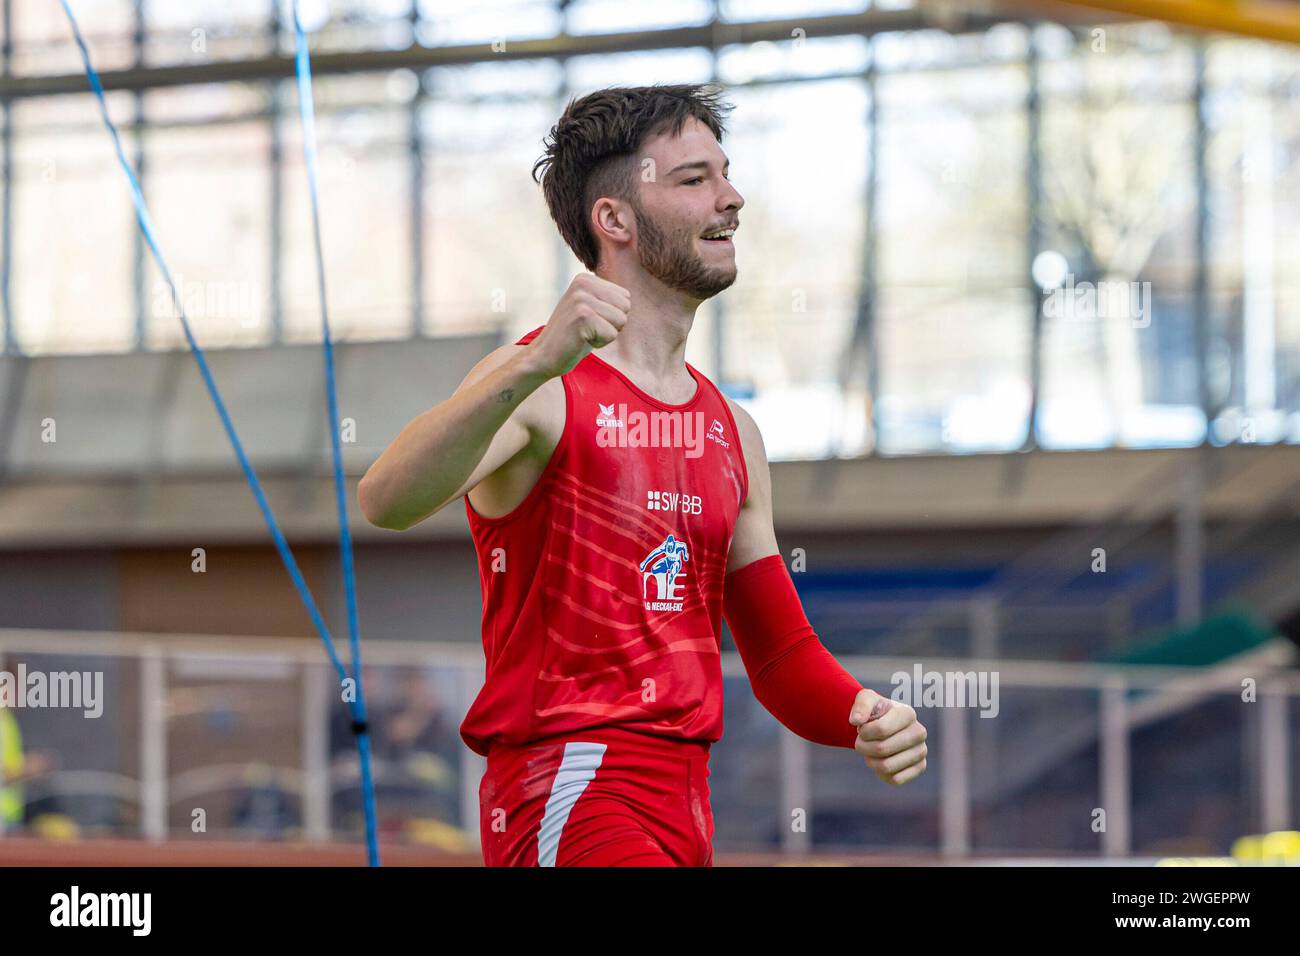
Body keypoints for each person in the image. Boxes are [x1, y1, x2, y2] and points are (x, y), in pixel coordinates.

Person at [358, 84, 927, 866]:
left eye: (724, 174)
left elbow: (780, 658)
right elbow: (386, 499)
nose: (731, 199)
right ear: (615, 219)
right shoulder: (544, 383)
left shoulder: (732, 429)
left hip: (688, 797)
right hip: (572, 780)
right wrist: (529, 366)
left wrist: (862, 711)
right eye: (694, 180)